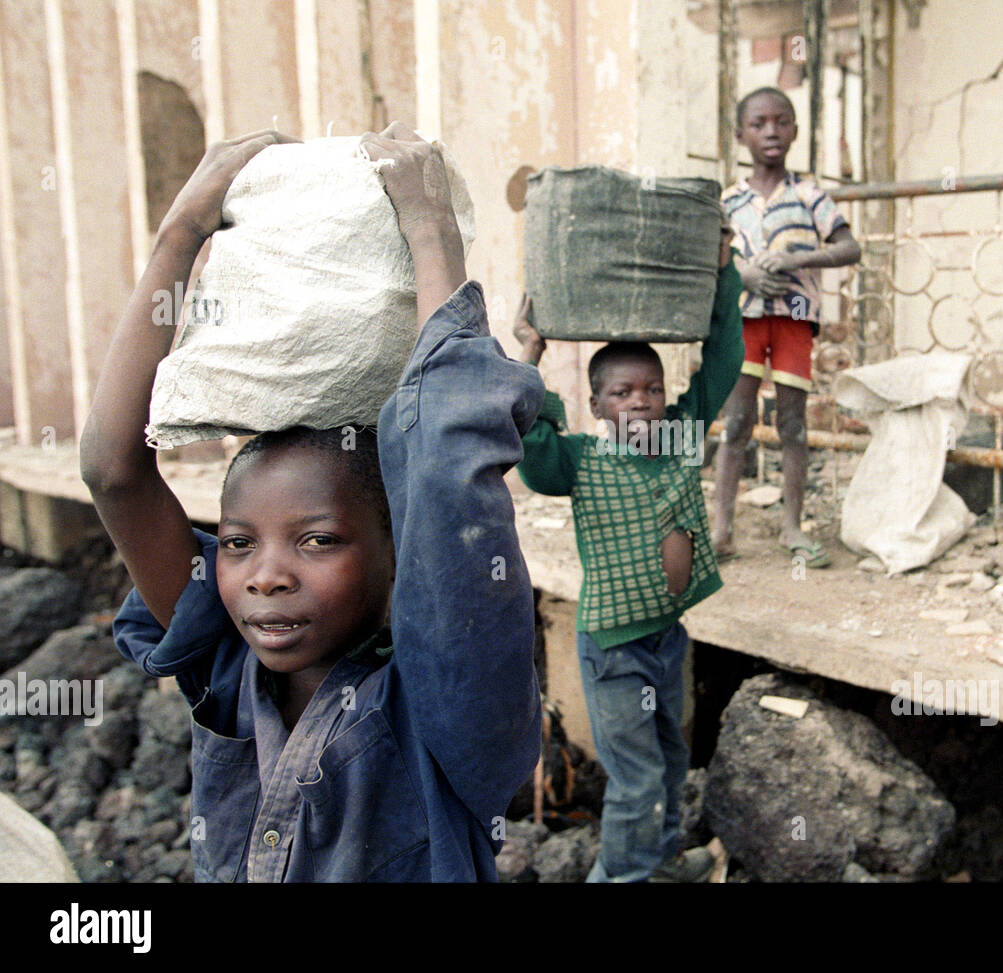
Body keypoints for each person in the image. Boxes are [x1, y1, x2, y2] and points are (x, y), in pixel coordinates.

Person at [79, 123, 545, 882]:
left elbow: (444, 471)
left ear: (400, 557)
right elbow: (112, 470)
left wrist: (430, 235)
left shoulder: (446, 708)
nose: (266, 575)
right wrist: (180, 234)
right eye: (237, 543)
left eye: (318, 540)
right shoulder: (227, 666)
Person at [511, 223, 741, 882]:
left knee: (671, 762)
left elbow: (723, 360)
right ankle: (619, 877)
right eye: (623, 393)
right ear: (596, 405)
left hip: (666, 638)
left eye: (652, 389)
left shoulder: (681, 439)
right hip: (613, 649)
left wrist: (722, 274)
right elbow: (530, 448)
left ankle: (663, 862)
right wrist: (529, 354)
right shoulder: (581, 460)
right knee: (637, 781)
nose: (641, 401)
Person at [711, 85, 862, 569]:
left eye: (780, 122)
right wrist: (743, 271)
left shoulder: (810, 194)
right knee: (736, 423)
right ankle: (721, 529)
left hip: (795, 320)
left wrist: (802, 257)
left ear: (794, 130)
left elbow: (848, 247)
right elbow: (711, 255)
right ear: (741, 135)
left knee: (793, 424)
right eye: (758, 124)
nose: (770, 132)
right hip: (742, 323)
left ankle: (793, 527)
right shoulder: (728, 200)